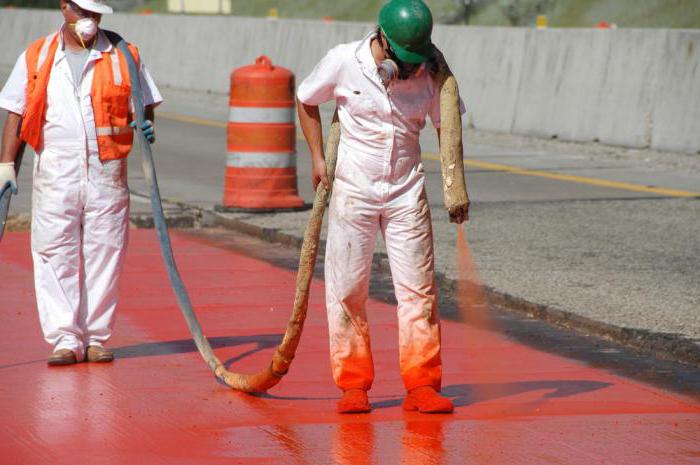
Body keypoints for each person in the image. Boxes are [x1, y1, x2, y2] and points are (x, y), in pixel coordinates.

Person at [297, 0, 469, 414]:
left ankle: (422, 384)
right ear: (382, 40)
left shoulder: (433, 75)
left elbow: (450, 124)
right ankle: (353, 384)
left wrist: (455, 183)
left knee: (418, 290)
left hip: (407, 191)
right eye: (404, 60)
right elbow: (306, 99)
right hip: (353, 190)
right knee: (348, 289)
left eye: (417, 60)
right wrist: (319, 159)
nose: (410, 69)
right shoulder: (344, 62)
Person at [0, 0, 162, 366]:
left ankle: (97, 338)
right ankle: (65, 338)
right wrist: (6, 164)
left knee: (105, 251)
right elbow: (15, 110)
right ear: (64, 8)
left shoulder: (124, 54)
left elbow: (144, 101)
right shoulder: (38, 55)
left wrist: (146, 122)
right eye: (83, 12)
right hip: (55, 172)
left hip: (107, 171)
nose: (90, 20)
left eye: (95, 14)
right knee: (54, 251)